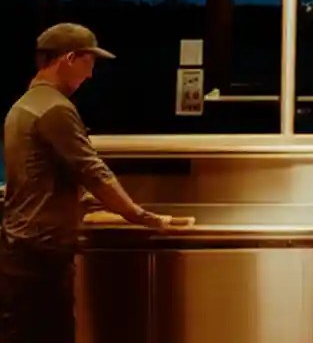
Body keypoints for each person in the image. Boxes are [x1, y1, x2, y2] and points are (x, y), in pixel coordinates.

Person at [0, 23, 193, 343]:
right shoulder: (56, 109)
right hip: (43, 254)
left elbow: (42, 180)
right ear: (69, 58)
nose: (90, 75)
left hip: (18, 249)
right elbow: (94, 171)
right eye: (89, 63)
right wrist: (144, 217)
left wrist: (88, 202)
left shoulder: (22, 107)